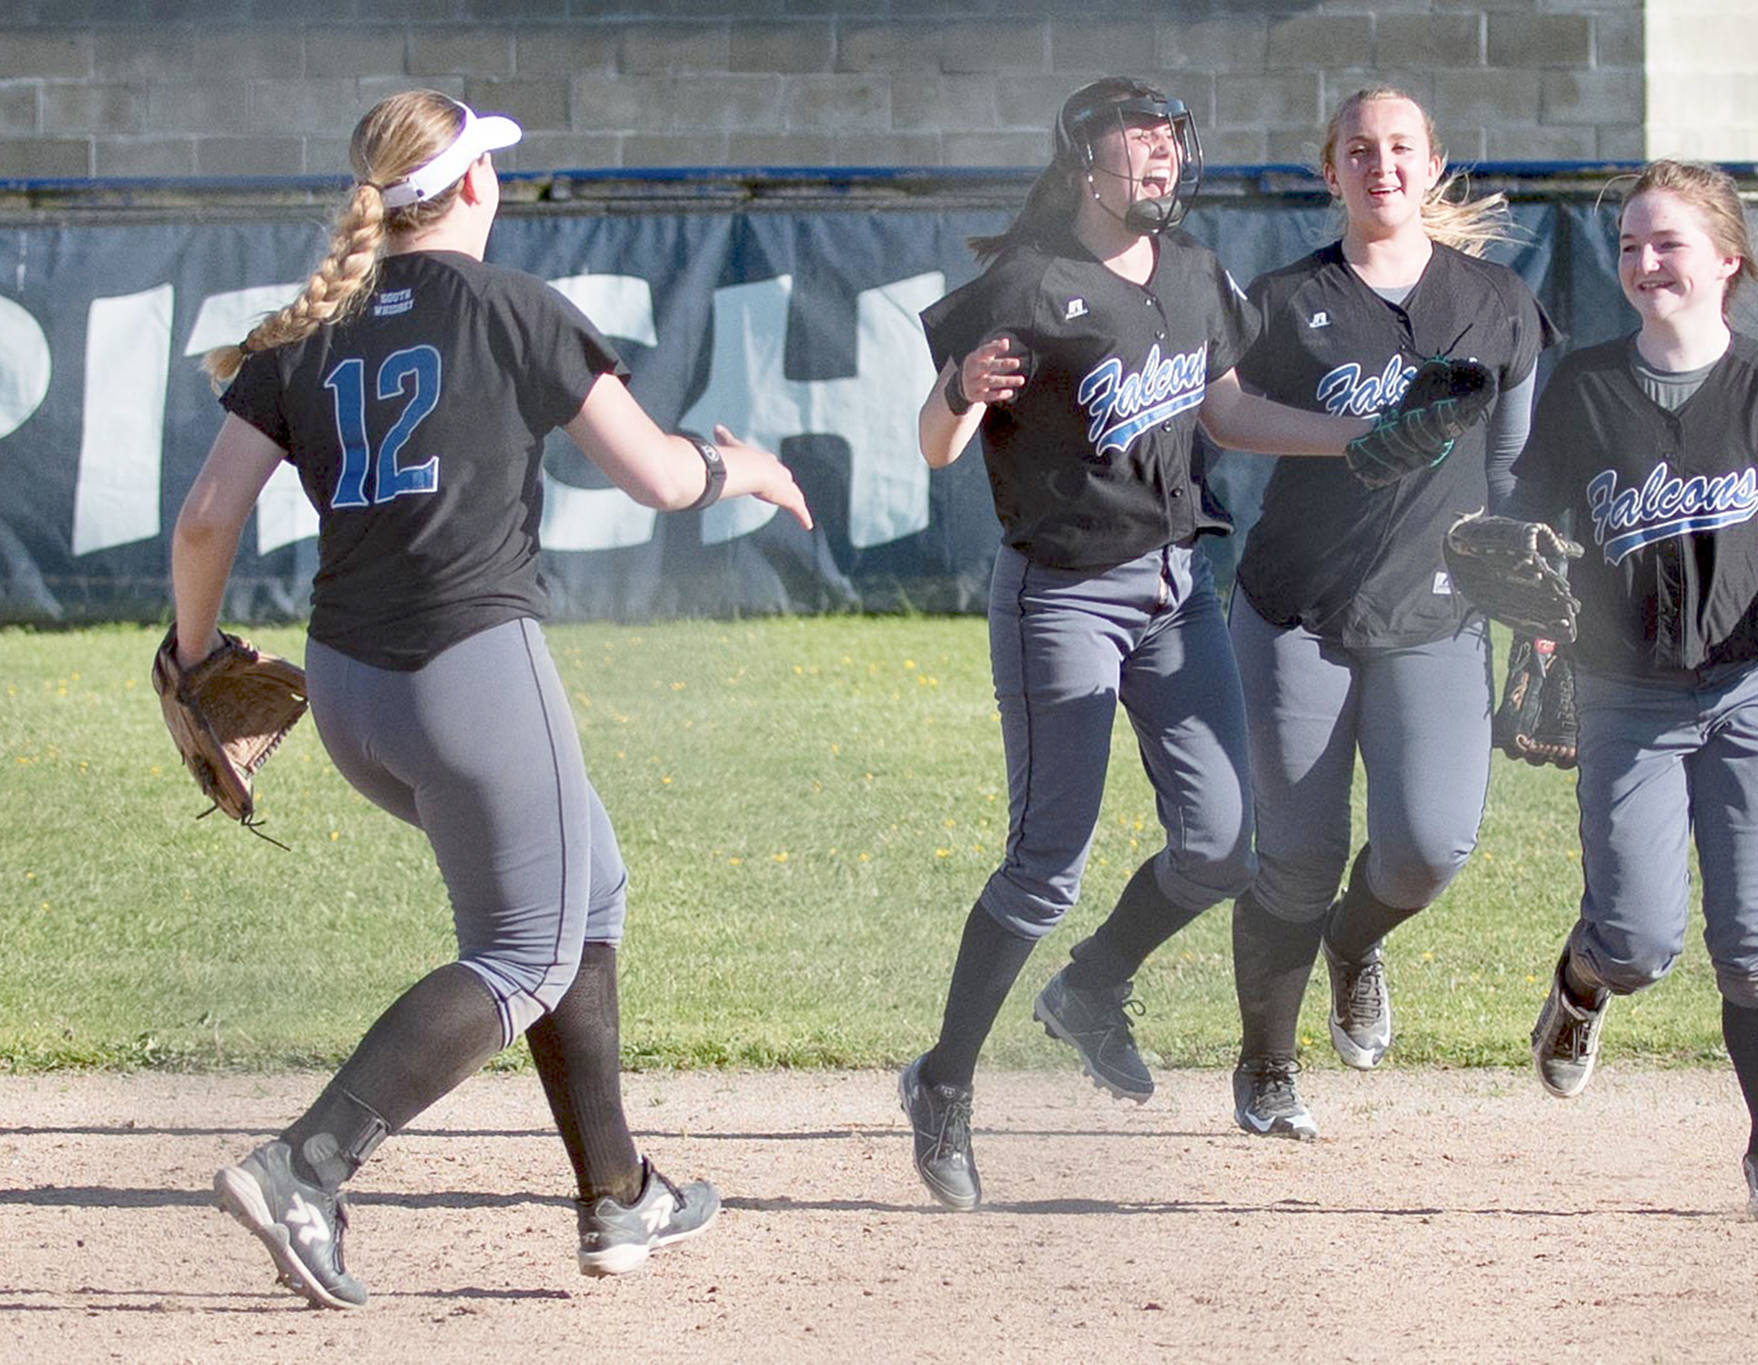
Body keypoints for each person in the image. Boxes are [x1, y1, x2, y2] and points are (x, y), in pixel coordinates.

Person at [174, 91, 811, 1308]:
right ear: (473, 185)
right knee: (523, 954)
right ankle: (304, 1166)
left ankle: (618, 1194)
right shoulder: (512, 306)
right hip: (466, 674)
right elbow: (657, 477)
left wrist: (195, 660)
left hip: (350, 692)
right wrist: (744, 466)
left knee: (588, 888)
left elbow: (207, 519)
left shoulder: (306, 331)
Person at [900, 76, 1381, 1211]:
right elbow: (934, 444)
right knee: (1044, 866)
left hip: (1176, 590)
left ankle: (1092, 985)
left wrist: (1354, 436)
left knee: (1220, 848)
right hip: (1061, 596)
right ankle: (944, 1082)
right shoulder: (1027, 283)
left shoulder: (1194, 273)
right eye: (1140, 142)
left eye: (1171, 142)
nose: (1162, 159)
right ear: (1085, 162)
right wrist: (960, 389)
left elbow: (1227, 413)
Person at [1507, 159, 1758, 1218]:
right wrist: (1528, 617)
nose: (1645, 261)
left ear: (1727, 258)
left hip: (1751, 686)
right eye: (1629, 244)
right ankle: (1582, 980)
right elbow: (1531, 525)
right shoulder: (1584, 386)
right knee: (1637, 939)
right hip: (1625, 692)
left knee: (1755, 936)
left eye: (1669, 242)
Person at [1224, 88, 1557, 1140]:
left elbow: (1512, 468)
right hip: (1295, 607)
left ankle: (1353, 943)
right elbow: (1224, 412)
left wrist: (1539, 603)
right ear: (1331, 172)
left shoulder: (1494, 300)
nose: (1381, 165)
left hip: (1439, 611)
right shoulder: (1288, 298)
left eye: (1401, 147)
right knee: (1296, 855)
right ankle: (1266, 1068)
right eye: (1358, 150)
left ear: (1432, 164)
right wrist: (1350, 435)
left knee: (1427, 847)